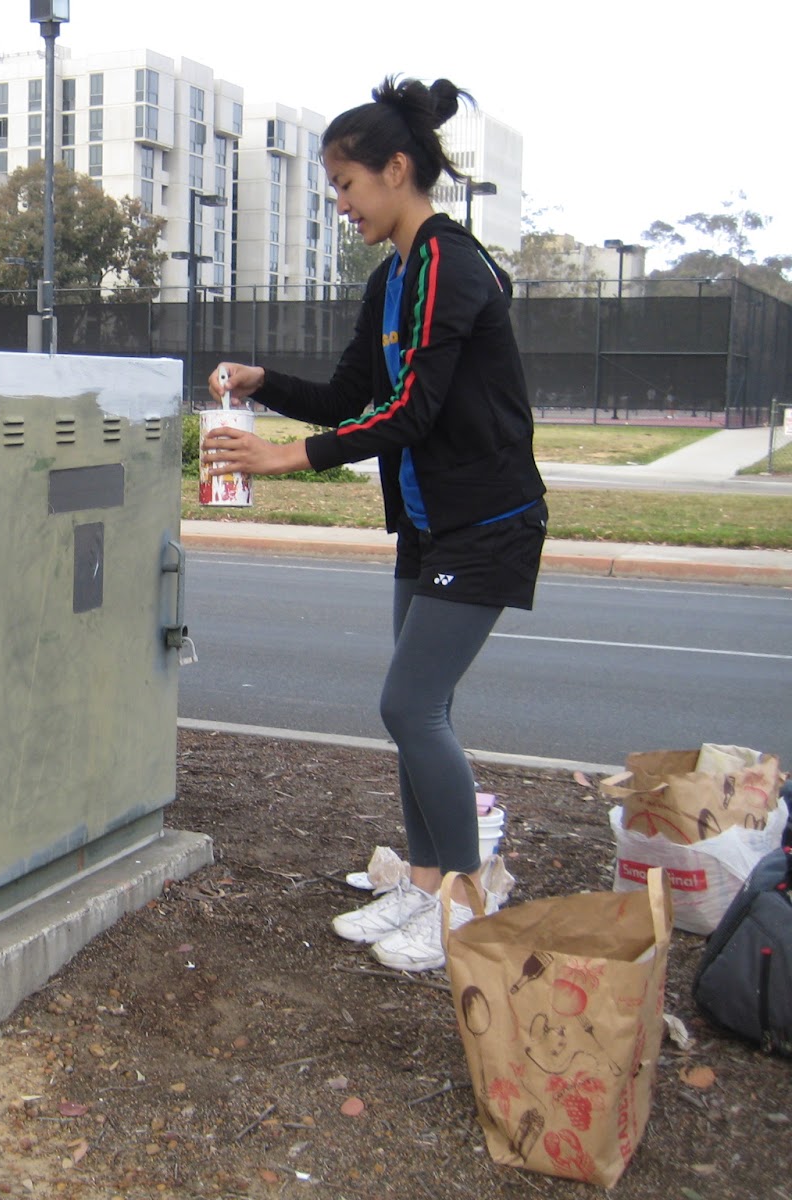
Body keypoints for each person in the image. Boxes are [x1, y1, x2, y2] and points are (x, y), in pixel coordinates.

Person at [201, 76, 547, 973]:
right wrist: (264, 383)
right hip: (430, 526)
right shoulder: (392, 276)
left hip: (490, 522)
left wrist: (285, 458)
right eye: (334, 188)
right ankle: (425, 885)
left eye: (346, 185)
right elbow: (350, 395)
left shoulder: (450, 267)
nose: (341, 203)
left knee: (409, 705)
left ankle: (464, 907)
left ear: (397, 169)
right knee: (415, 713)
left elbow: (412, 411)